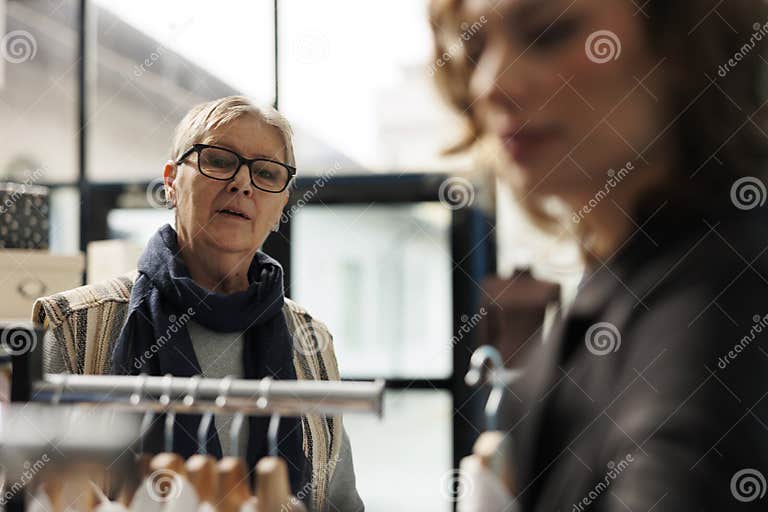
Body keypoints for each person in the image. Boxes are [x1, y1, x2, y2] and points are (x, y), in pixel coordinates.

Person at [430, 0, 768, 509]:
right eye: (475, 50)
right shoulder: (630, 275)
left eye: (548, 33)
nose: (490, 84)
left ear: (681, 42)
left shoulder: (721, 298)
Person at [33, 96, 364, 512]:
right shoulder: (74, 328)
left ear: (282, 205)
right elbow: (36, 496)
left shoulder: (310, 342)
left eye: (265, 172)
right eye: (220, 160)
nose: (242, 184)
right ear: (171, 180)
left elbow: (338, 503)